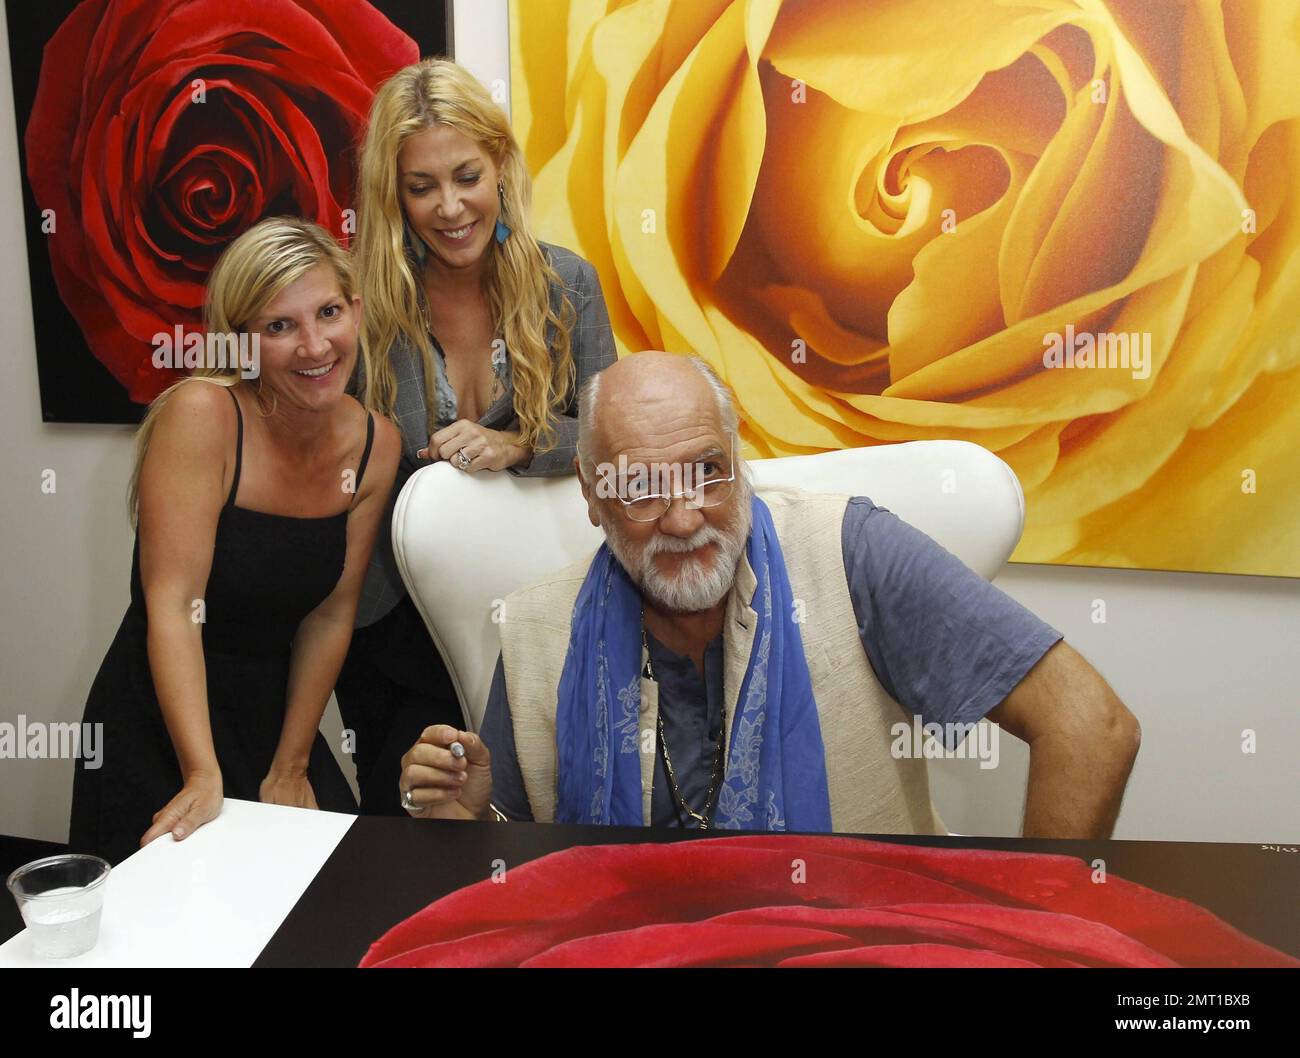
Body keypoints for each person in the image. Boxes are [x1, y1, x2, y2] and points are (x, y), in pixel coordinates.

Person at [397, 352, 1142, 838]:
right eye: (642, 488)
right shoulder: (532, 629)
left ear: (741, 464)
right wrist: (468, 821)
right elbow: (520, 874)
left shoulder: (851, 554)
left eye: (709, 472)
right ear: (593, 496)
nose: (685, 518)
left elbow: (1092, 727)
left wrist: (1039, 927)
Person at [69, 218, 400, 866]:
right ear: (242, 342)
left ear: (355, 311)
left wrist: (292, 762)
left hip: (274, 719)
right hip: (159, 717)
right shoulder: (202, 414)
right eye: (279, 326)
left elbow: (331, 614)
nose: (314, 346)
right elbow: (173, 606)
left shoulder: (375, 446)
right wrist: (201, 773)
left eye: (328, 312)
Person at [339, 57, 616, 815]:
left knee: (537, 824)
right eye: (421, 186)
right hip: (393, 629)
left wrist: (525, 444)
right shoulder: (361, 305)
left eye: (466, 175)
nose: (450, 206)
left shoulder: (569, 285)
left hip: (540, 615)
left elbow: (613, 444)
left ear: (500, 165)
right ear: (394, 195)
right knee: (411, 834)